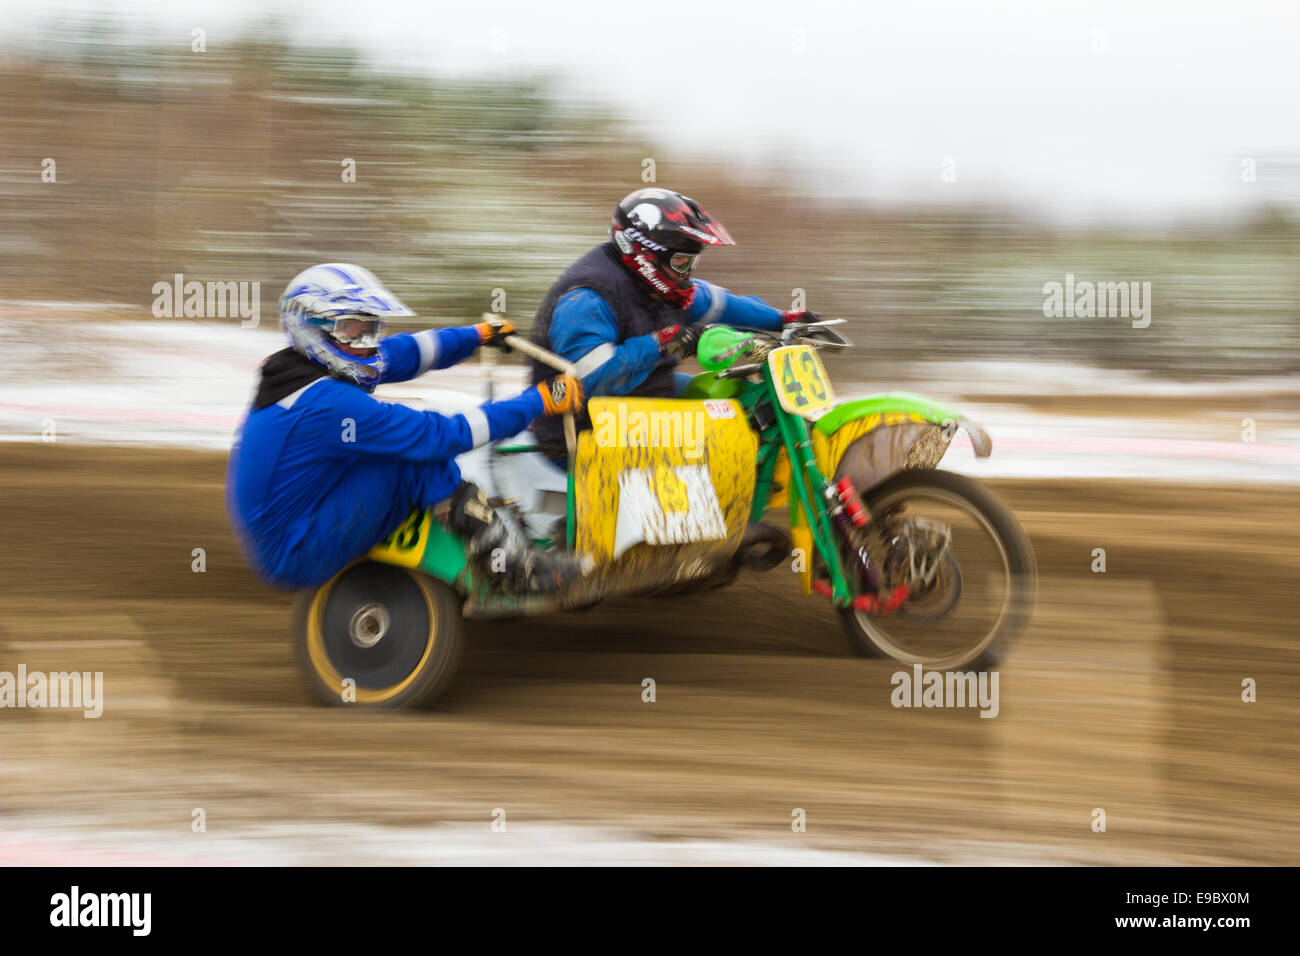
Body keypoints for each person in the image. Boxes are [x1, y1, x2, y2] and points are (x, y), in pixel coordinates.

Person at [227, 263, 586, 594]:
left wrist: (475, 336)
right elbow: (444, 437)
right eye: (352, 327)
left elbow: (404, 352)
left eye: (370, 327)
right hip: (294, 551)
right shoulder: (326, 403)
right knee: (417, 459)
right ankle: (515, 571)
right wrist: (537, 402)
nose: (365, 341)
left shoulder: (307, 366)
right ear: (312, 328)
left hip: (298, 520)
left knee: (406, 444)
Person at [527, 187, 819, 459]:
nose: (687, 273)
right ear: (644, 253)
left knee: (734, 400)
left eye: (692, 263)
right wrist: (662, 343)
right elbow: (588, 380)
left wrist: (783, 319)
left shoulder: (656, 284)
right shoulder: (588, 297)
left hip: (636, 398)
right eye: (681, 262)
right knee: (714, 441)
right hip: (580, 429)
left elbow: (719, 304)